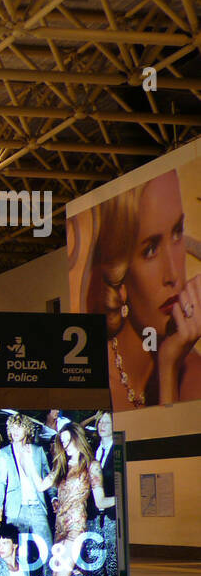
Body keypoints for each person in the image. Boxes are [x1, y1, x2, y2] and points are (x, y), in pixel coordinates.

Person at [84, 168, 201, 407]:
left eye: (177, 232)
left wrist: (169, 364)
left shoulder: (192, 370)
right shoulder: (94, 380)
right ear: (120, 273)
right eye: (150, 250)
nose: (172, 275)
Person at [41, 423, 114, 576]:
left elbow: (101, 501)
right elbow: (41, 485)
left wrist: (124, 498)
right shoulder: (62, 466)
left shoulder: (91, 465)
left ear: (77, 439)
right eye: (62, 440)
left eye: (68, 440)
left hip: (76, 526)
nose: (64, 444)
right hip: (60, 527)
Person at [0, 414, 54, 576]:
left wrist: (54, 498)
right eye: (12, 427)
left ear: (26, 429)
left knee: (48, 550)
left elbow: (46, 476)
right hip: (15, 509)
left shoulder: (37, 450)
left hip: (36, 508)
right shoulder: (4, 452)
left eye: (19, 427)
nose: (15, 431)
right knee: (20, 552)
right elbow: (1, 482)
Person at [87, 412, 119, 576]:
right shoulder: (93, 450)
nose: (102, 425)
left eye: (107, 422)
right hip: (93, 516)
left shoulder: (119, 452)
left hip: (112, 515)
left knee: (112, 563)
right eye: (100, 422)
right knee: (95, 564)